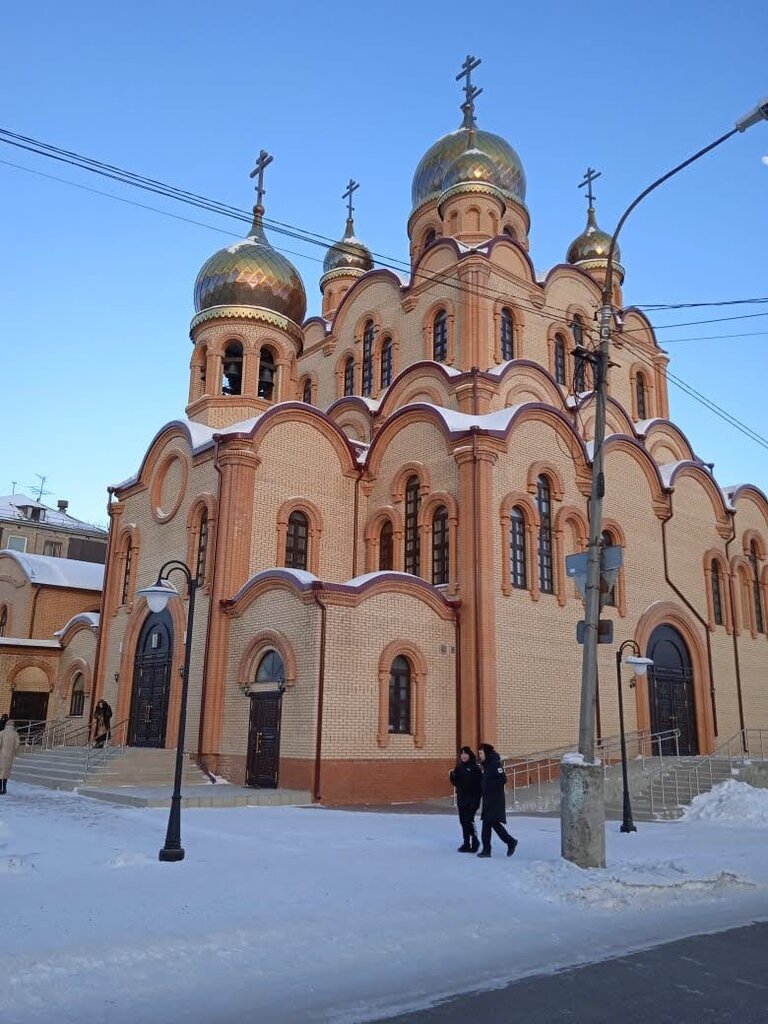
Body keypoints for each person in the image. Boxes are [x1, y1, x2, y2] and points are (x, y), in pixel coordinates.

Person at [477, 742, 518, 858]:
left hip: (495, 800)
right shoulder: (487, 764)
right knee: (492, 823)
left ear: (486, 753)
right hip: (488, 799)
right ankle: (509, 842)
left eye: (481, 753)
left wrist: (489, 785)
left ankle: (487, 849)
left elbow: (503, 779)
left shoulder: (495, 764)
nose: (480, 755)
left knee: (488, 824)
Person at [449, 746, 482, 852]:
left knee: (469, 820)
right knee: (463, 821)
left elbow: (479, 786)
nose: (463, 756)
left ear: (469, 755)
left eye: (465, 754)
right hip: (461, 798)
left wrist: (476, 801)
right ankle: (466, 843)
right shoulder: (459, 767)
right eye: (462, 754)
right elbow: (456, 782)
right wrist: (452, 777)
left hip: (472, 800)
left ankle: (475, 841)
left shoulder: (474, 768)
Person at [0, 718, 20, 794]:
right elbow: (17, 745)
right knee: (6, 772)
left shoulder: (2, 733)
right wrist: (14, 752)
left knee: (0, 772)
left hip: (1, 755)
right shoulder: (15, 734)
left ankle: (0, 788)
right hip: (9, 756)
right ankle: (4, 788)